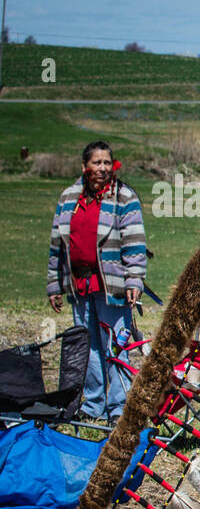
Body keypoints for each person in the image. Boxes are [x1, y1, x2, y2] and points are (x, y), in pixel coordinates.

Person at [46, 141, 146, 423]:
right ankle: (93, 405)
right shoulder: (68, 198)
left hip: (113, 285)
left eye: (107, 163)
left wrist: (134, 281)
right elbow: (57, 245)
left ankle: (119, 408)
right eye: (96, 163)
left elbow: (135, 242)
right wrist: (54, 284)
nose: (102, 168)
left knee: (115, 346)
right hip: (80, 284)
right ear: (84, 167)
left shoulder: (123, 196)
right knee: (87, 347)